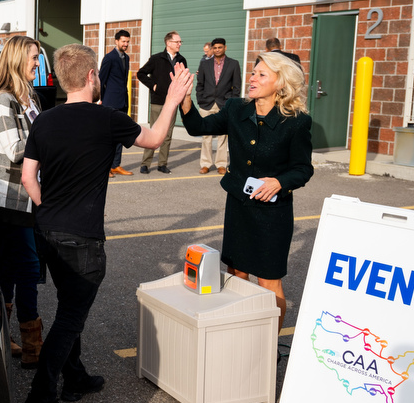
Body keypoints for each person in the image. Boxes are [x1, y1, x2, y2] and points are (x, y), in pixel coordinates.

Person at [19, 43, 195, 403]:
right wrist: (172, 99)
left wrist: (50, 210)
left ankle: (75, 375)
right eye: (97, 73)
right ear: (90, 77)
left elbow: (28, 177)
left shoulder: (44, 121)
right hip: (81, 238)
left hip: (46, 230)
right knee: (69, 318)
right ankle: (40, 401)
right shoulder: (107, 119)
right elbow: (154, 138)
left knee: (68, 304)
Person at [179, 52, 314, 327]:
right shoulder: (235, 109)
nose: (252, 78)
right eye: (253, 73)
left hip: (272, 213)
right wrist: (184, 97)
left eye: (261, 74)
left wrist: (279, 182)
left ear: (281, 82)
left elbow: (303, 169)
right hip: (239, 206)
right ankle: (240, 332)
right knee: (236, 273)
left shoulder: (297, 121)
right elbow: (197, 127)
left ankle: (269, 345)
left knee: (268, 280)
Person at [0, 35, 45, 368]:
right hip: (12, 201)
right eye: (34, 57)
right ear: (19, 59)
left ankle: (4, 339)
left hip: (29, 197)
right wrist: (51, 136)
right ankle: (33, 348)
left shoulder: (29, 96)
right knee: (30, 269)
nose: (38, 63)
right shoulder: (5, 100)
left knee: (9, 269)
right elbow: (15, 149)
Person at [135, 31, 188, 174]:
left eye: (180, 42)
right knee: (152, 132)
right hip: (158, 101)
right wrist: (154, 86)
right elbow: (140, 73)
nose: (179, 44)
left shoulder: (181, 60)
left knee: (168, 134)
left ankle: (162, 163)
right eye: (177, 42)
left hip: (173, 102)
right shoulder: (156, 58)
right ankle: (145, 163)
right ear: (168, 43)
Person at [194, 37, 242, 175]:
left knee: (223, 136)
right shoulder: (204, 64)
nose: (217, 50)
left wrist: (231, 103)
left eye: (220, 47)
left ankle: (221, 164)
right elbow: (200, 84)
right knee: (206, 136)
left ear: (225, 48)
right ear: (211, 49)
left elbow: (236, 87)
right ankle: (205, 164)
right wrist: (200, 99)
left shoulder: (233, 64)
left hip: (224, 104)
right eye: (214, 48)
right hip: (206, 104)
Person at [99, 30, 133, 176]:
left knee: (119, 135)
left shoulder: (127, 58)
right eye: (123, 41)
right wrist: (99, 99)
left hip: (122, 102)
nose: (125, 44)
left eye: (127, 42)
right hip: (110, 102)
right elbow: (101, 80)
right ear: (116, 41)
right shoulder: (109, 58)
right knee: (108, 137)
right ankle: (105, 167)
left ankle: (115, 165)